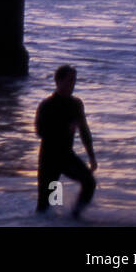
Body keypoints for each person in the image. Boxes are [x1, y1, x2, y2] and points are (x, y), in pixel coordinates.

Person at [35, 65, 97, 217]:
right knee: (47, 206)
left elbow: (84, 131)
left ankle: (76, 216)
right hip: (49, 159)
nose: (73, 84)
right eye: (69, 80)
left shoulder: (76, 104)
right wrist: (64, 128)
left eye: (74, 80)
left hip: (67, 156)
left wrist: (91, 157)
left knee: (89, 182)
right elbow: (40, 131)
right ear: (58, 81)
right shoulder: (47, 105)